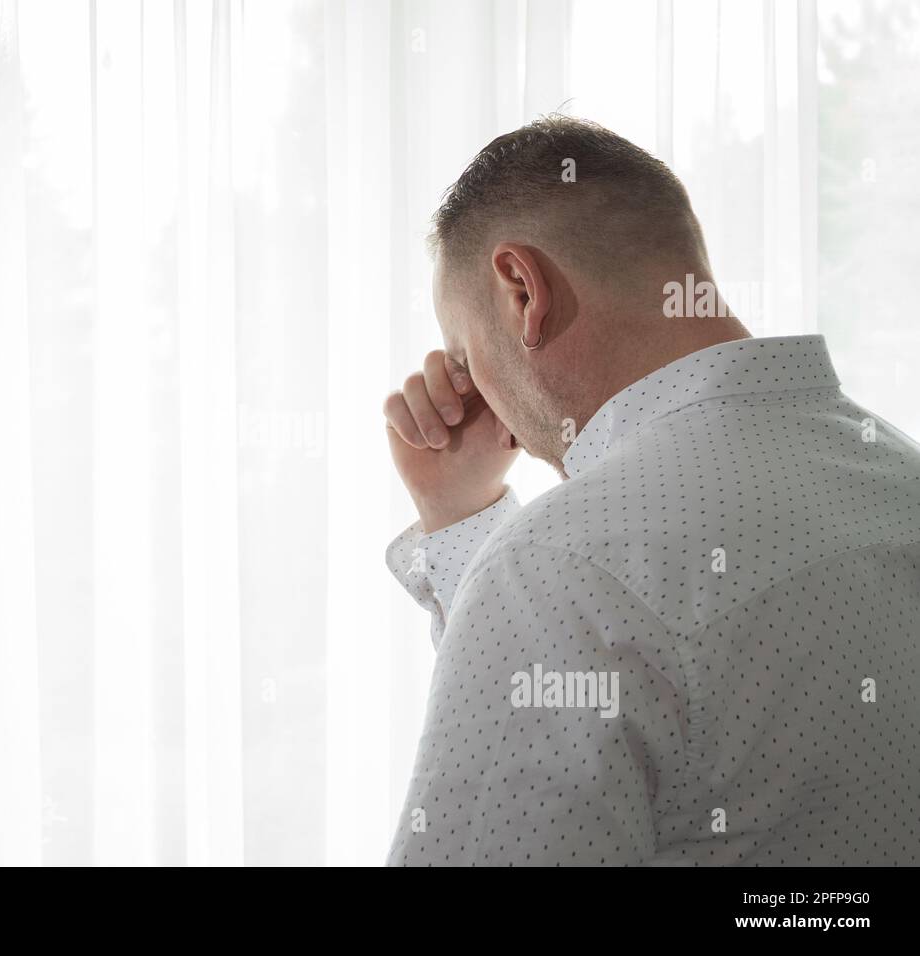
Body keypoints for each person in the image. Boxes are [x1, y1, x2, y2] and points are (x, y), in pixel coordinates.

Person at [382, 115, 920, 865]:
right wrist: (460, 519)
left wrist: (495, 547)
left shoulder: (557, 569)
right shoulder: (899, 476)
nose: (476, 395)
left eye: (467, 359)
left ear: (522, 289)